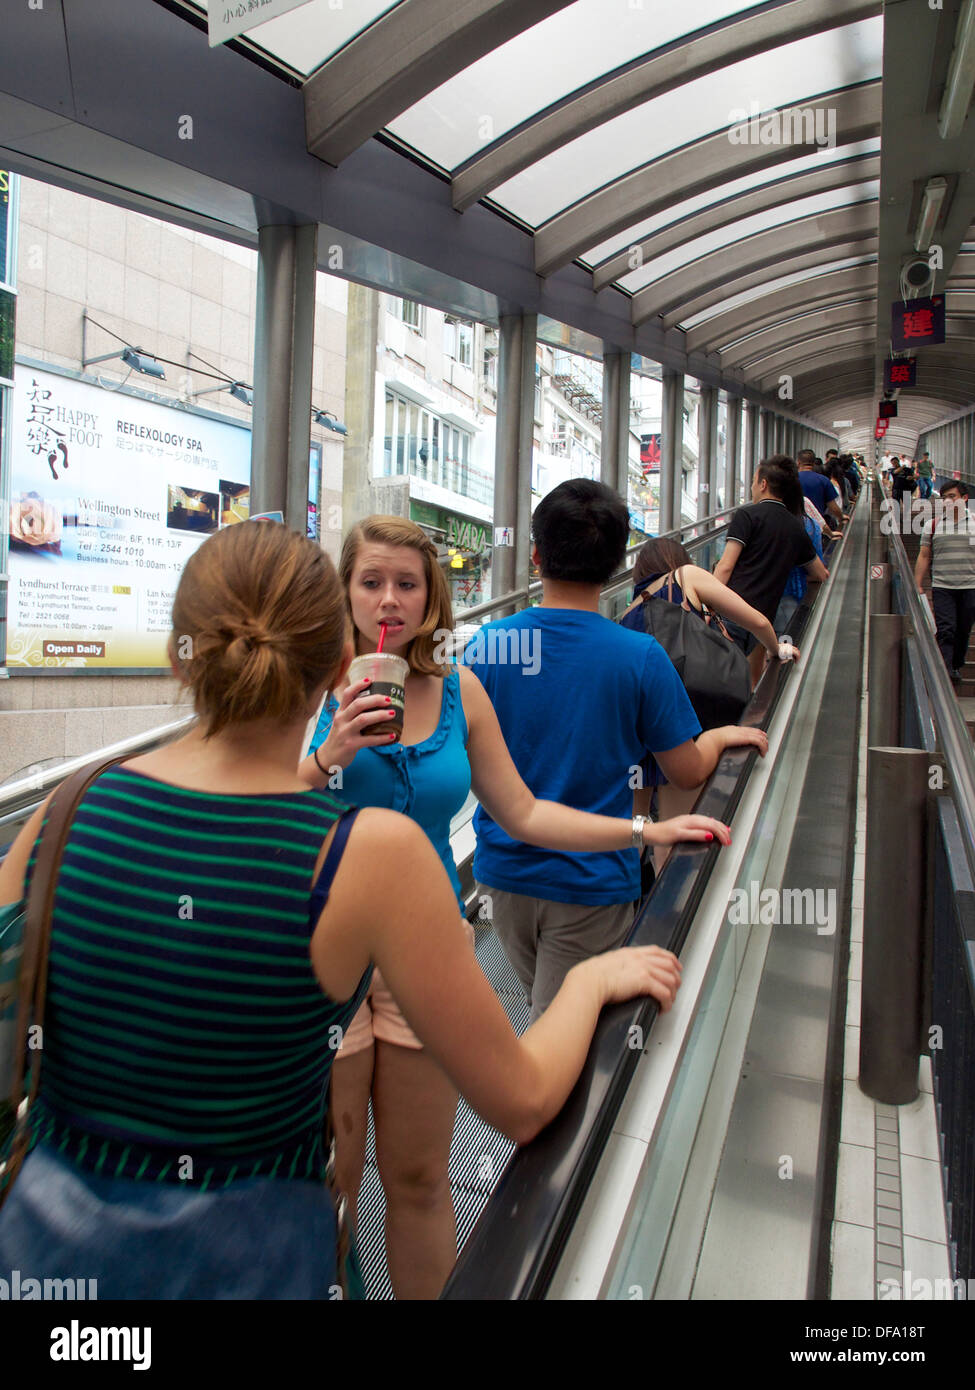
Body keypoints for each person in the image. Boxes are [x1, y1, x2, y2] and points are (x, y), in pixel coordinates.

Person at [0, 521, 689, 1299]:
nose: (389, 600)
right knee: (356, 1171)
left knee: (403, 1174)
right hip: (257, 1262)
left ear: (176, 655)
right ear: (334, 659)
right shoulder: (367, 855)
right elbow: (524, 1102)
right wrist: (589, 984)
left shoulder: (62, 813)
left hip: (54, 1263)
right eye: (369, 585)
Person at [296, 514, 727, 1299]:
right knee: (334, 1187)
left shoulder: (459, 688)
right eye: (370, 582)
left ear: (430, 598)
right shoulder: (309, 685)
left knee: (422, 1176)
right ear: (345, 591)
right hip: (322, 958)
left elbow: (523, 811)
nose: (388, 601)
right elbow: (259, 800)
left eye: (406, 583)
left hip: (424, 951)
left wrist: (644, 825)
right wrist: (329, 757)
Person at [461, 479, 769, 1024]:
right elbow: (687, 771)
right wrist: (719, 736)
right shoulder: (638, 657)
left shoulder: (489, 644)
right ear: (616, 566)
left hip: (502, 875)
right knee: (564, 1028)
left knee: (546, 1010)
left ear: (536, 556)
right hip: (593, 882)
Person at [619, 536, 792, 871]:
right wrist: (775, 651)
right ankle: (673, 903)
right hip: (684, 717)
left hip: (639, 726)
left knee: (640, 824)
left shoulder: (628, 612)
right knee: (680, 817)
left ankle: (634, 896)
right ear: (677, 558)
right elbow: (756, 621)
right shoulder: (684, 576)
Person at [713, 456, 830, 687]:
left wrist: (705, 605)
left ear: (763, 484)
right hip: (762, 618)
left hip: (732, 611)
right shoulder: (795, 525)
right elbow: (820, 573)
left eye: (754, 481)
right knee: (750, 678)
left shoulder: (747, 516)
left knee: (721, 679)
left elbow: (725, 566)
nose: (752, 487)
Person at [914, 481, 975, 685]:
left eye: (952, 496)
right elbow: (924, 555)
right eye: (944, 497)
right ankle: (946, 669)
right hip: (942, 587)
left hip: (970, 586)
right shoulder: (933, 525)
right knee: (946, 628)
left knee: (964, 629)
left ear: (964, 498)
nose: (948, 500)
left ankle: (957, 663)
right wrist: (917, 583)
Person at [797, 449, 843, 529]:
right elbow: (833, 507)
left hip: (795, 525)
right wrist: (841, 517)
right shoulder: (824, 480)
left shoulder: (790, 479)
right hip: (817, 527)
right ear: (814, 462)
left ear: (798, 462)